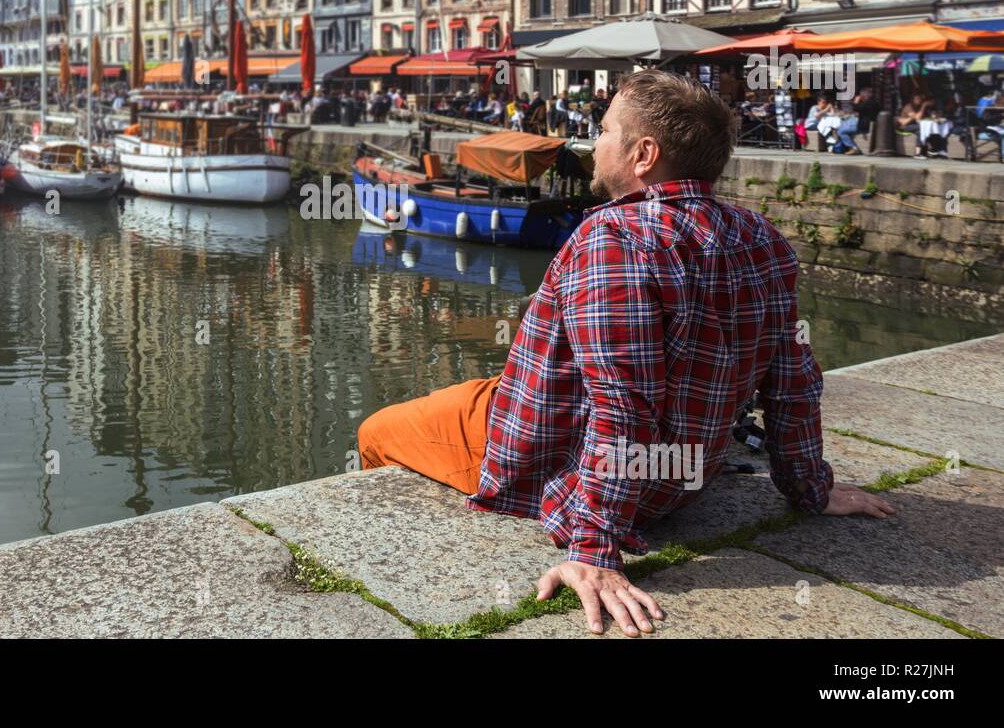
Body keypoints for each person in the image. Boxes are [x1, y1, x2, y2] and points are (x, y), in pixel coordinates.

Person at [358, 70, 894, 637]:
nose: (594, 143)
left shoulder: (614, 237)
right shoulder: (761, 235)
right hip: (687, 474)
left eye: (605, 129)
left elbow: (624, 405)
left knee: (377, 430)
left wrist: (595, 548)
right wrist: (810, 487)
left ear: (643, 154)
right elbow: (793, 382)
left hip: (563, 462)